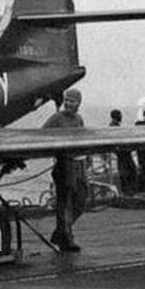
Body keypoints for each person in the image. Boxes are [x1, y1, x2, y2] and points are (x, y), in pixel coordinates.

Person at [43, 89, 86, 251]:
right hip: (65, 164)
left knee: (81, 202)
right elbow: (40, 135)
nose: (68, 103)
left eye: (72, 101)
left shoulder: (79, 119)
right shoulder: (56, 118)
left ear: (78, 104)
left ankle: (60, 232)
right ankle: (67, 239)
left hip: (79, 164)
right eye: (66, 100)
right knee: (65, 204)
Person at [108, 109, 138, 194]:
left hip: (124, 153)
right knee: (128, 173)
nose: (121, 117)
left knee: (130, 172)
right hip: (123, 154)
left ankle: (129, 192)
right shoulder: (113, 127)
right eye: (120, 115)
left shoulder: (115, 126)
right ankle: (128, 192)